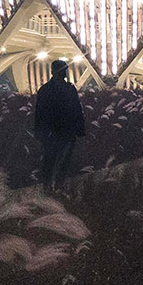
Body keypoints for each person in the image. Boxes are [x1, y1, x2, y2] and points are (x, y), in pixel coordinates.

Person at [33, 58, 85, 193]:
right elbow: (76, 109)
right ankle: (52, 185)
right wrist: (79, 129)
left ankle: (54, 185)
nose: (65, 73)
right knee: (52, 158)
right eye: (63, 70)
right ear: (56, 72)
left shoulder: (46, 89)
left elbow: (39, 113)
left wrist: (39, 132)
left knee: (60, 158)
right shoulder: (68, 89)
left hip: (59, 131)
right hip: (59, 130)